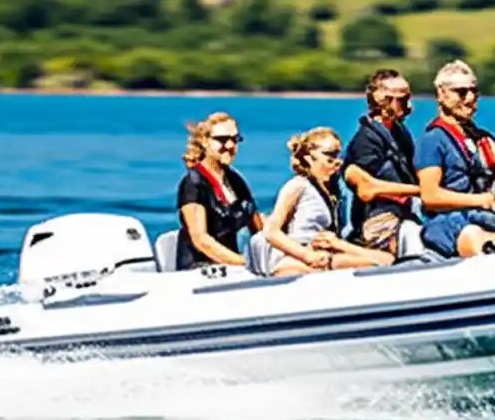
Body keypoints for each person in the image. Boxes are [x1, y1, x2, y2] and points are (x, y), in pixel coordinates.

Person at [415, 60, 495, 258]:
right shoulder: (432, 141)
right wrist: (479, 200)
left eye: (474, 92)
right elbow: (430, 196)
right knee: (476, 237)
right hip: (449, 223)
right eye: (461, 92)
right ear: (441, 94)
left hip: (489, 218)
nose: (470, 99)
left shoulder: (485, 141)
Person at [247, 128, 393, 276]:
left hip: (325, 254)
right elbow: (271, 231)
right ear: (309, 158)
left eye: (339, 156)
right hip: (298, 256)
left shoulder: (335, 193)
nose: (337, 162)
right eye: (330, 156)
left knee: (386, 260)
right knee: (374, 263)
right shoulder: (298, 185)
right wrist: (306, 255)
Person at [342, 68, 422, 255]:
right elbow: (367, 189)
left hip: (406, 212)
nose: (409, 105)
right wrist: (422, 191)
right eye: (401, 99)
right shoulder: (366, 140)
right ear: (382, 100)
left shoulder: (400, 133)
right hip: (378, 220)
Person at [176, 111, 264, 271]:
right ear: (205, 141)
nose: (230, 146)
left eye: (235, 139)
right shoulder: (193, 184)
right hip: (200, 271)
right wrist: (245, 264)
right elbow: (201, 240)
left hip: (233, 269)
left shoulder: (236, 181)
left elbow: (259, 230)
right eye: (222, 140)